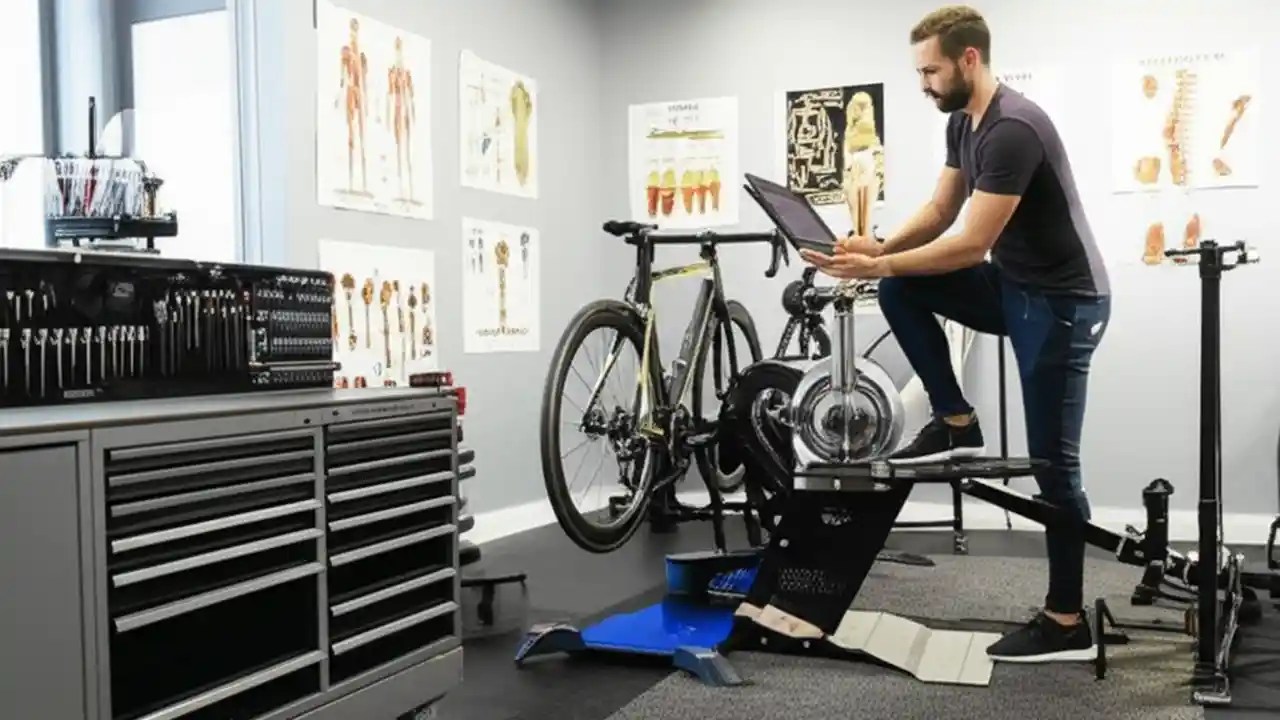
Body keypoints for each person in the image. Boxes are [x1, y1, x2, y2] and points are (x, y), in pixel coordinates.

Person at [799, 5, 1111, 663]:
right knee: (900, 286)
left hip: (1063, 302)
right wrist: (882, 249)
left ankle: (1066, 622)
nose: (923, 85)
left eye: (930, 71)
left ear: (969, 59)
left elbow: (970, 243)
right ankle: (957, 422)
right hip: (1016, 287)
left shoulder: (1013, 129)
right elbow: (943, 210)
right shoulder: (963, 122)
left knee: (1054, 464)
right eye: (920, 73)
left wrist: (879, 263)